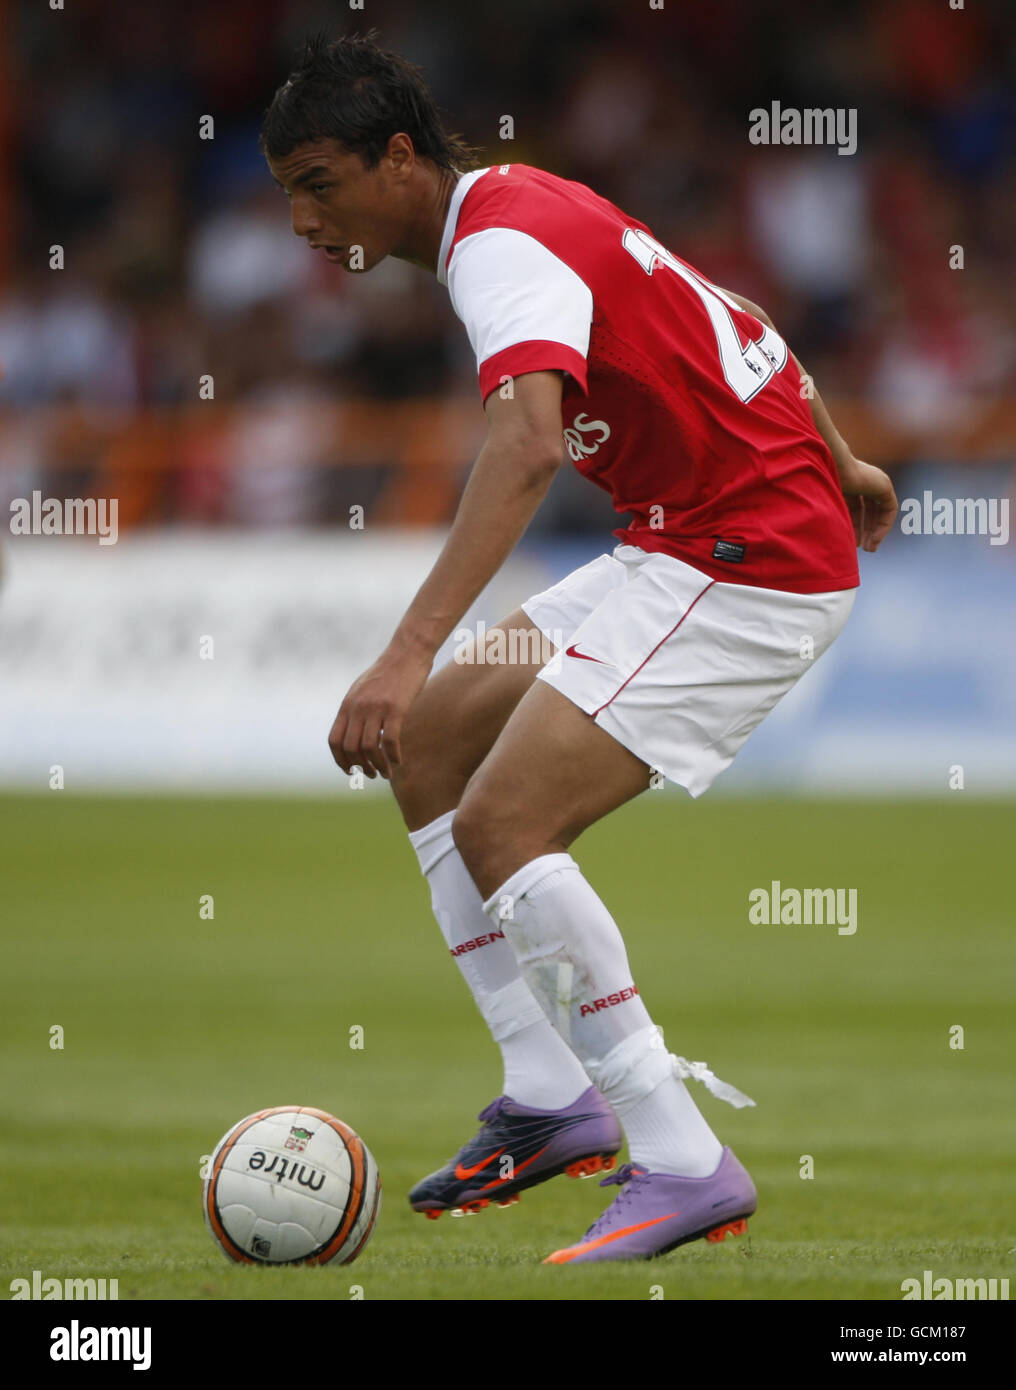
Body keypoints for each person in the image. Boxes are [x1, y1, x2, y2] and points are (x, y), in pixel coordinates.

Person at [262, 32, 898, 1263]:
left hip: (743, 561)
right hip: (679, 538)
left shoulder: (497, 244)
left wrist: (399, 652)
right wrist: (844, 453)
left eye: (318, 184)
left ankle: (678, 1156)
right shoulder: (519, 198)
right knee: (435, 745)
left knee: (503, 822)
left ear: (399, 157)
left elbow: (525, 448)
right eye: (286, 191)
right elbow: (737, 313)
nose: (299, 219)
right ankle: (549, 1093)